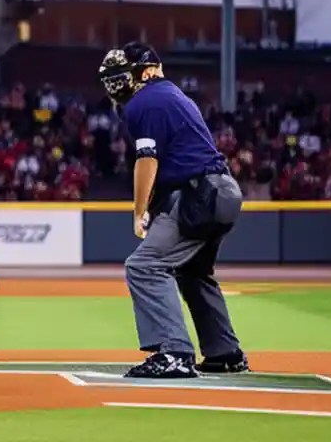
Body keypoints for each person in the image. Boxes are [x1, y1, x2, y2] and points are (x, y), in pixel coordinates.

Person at [98, 42, 250, 378]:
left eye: (122, 75)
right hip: (221, 191)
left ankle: (174, 352)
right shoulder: (172, 95)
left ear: (146, 70)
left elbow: (148, 159)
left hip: (199, 194)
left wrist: (139, 211)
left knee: (145, 265)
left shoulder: (144, 101)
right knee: (193, 272)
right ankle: (225, 352)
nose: (116, 83)